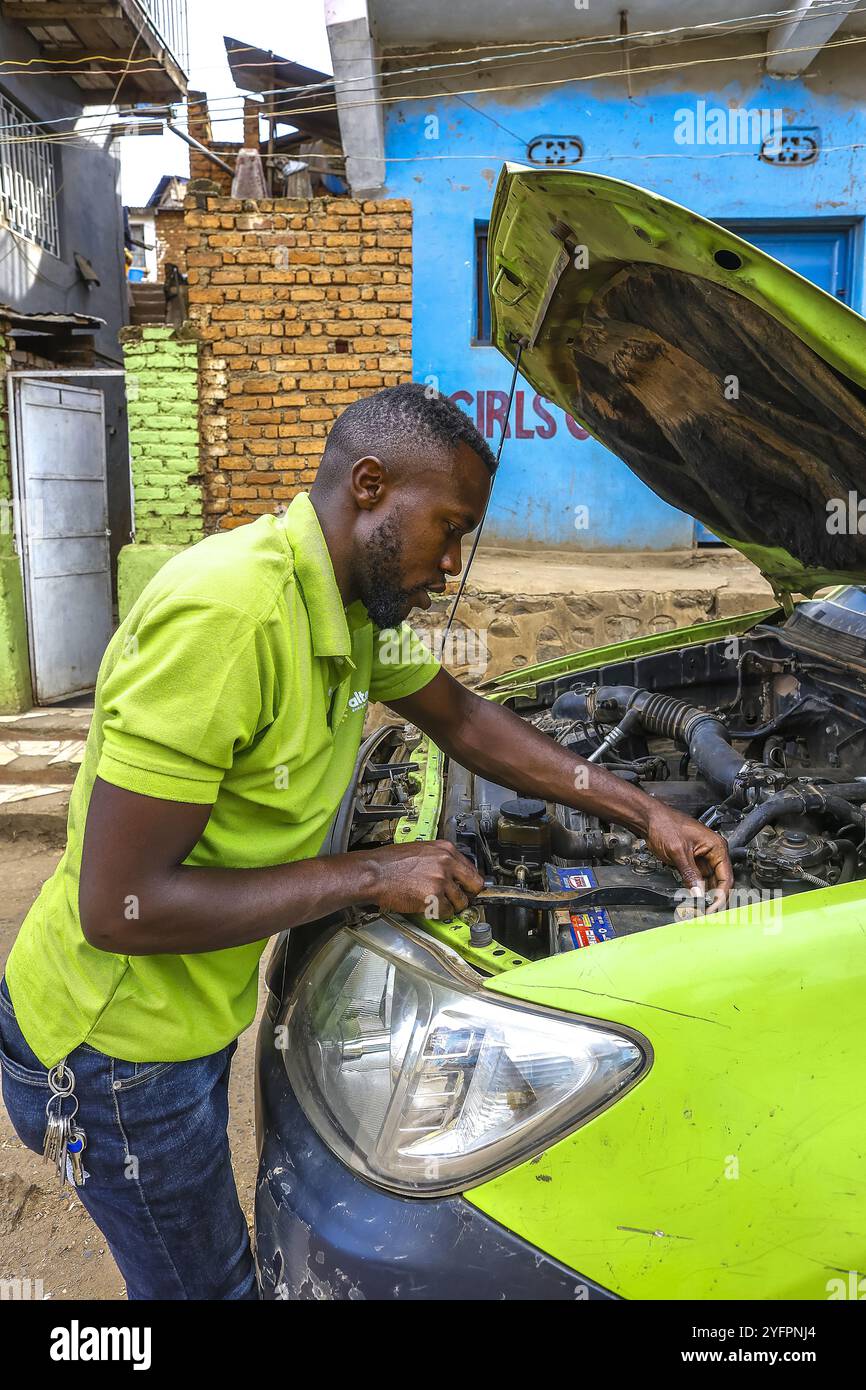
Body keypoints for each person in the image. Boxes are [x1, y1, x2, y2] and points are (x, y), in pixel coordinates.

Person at [0, 383, 733, 1299]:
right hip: (114, 1052)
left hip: (185, 1013)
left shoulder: (346, 601)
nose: (453, 560)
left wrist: (643, 810)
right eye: (450, 527)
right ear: (372, 485)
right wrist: (371, 872)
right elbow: (120, 905)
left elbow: (460, 717)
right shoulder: (231, 619)